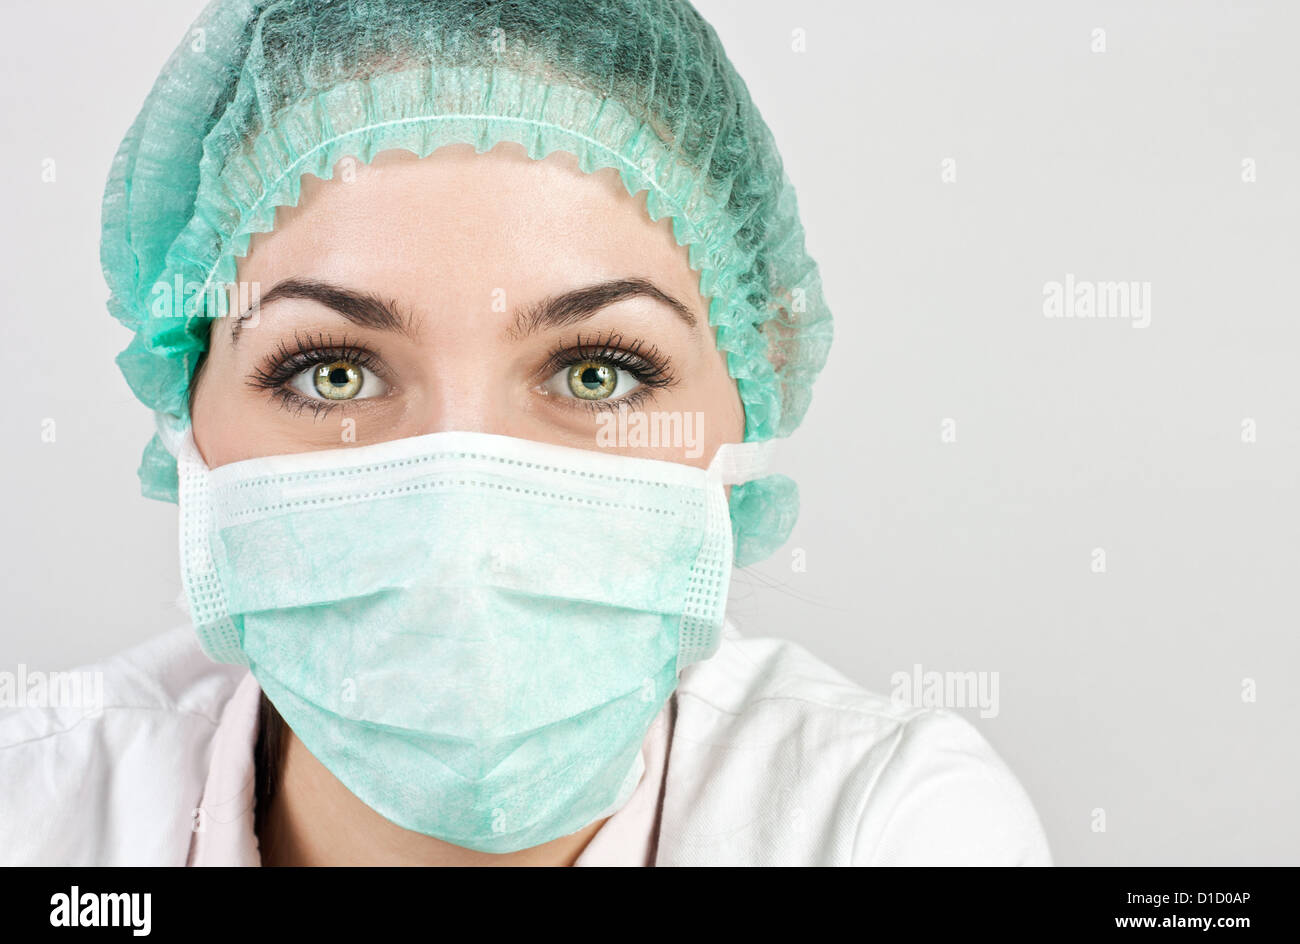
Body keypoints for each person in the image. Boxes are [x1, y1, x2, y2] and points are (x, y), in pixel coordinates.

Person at [0, 0, 1051, 866]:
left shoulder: (885, 828)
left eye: (597, 371)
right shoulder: (35, 808)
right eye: (334, 372)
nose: (468, 512)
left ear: (750, 404)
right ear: (187, 414)